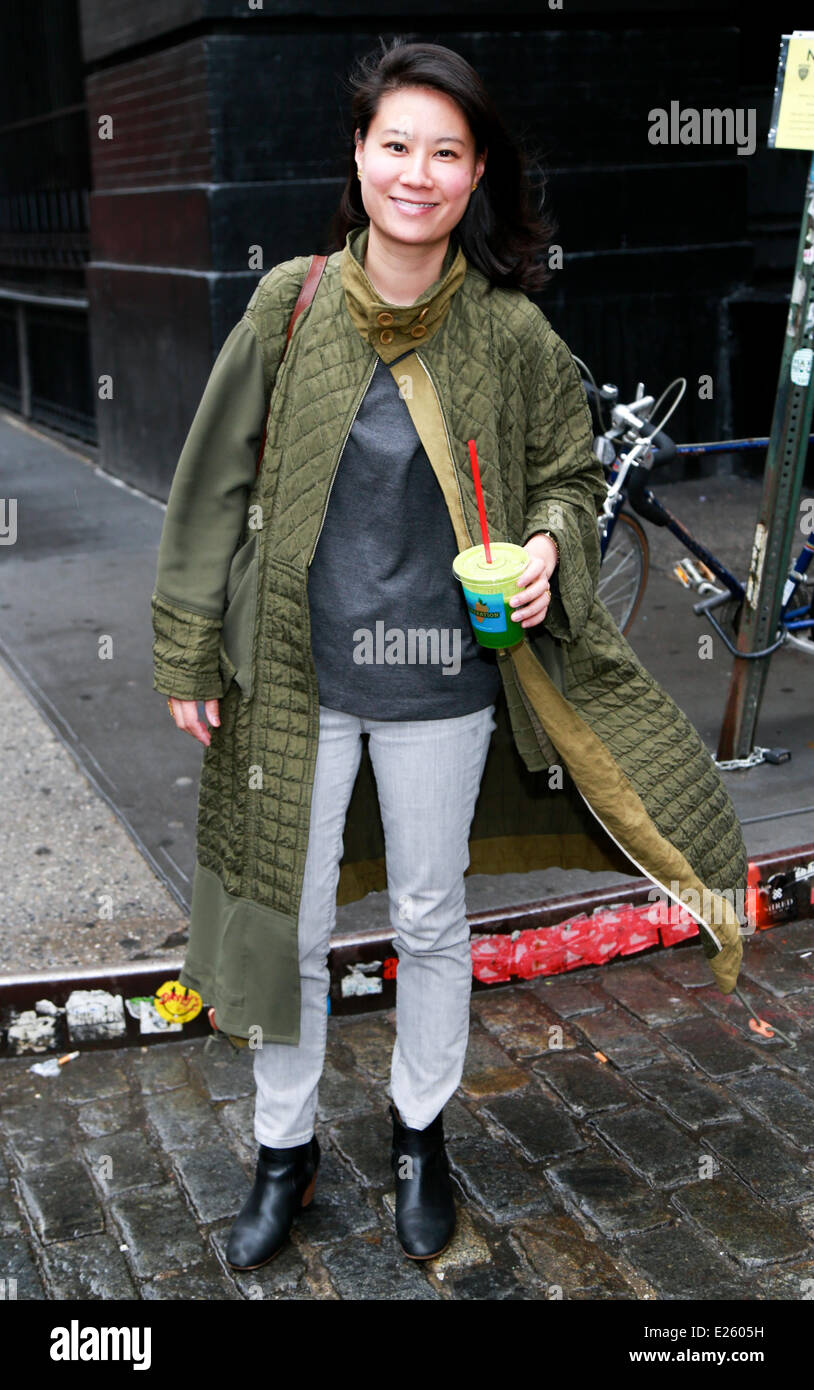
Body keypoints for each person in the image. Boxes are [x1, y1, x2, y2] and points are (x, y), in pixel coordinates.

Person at [153, 37, 747, 1272]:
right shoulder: (292, 302)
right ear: (358, 157)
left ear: (474, 176)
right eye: (394, 145)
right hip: (295, 676)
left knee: (431, 917)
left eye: (445, 152)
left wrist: (544, 545)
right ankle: (285, 1148)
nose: (415, 172)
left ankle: (421, 1137)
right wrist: (185, 650)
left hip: (443, 679)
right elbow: (211, 480)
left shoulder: (513, 334)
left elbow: (573, 483)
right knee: (289, 918)